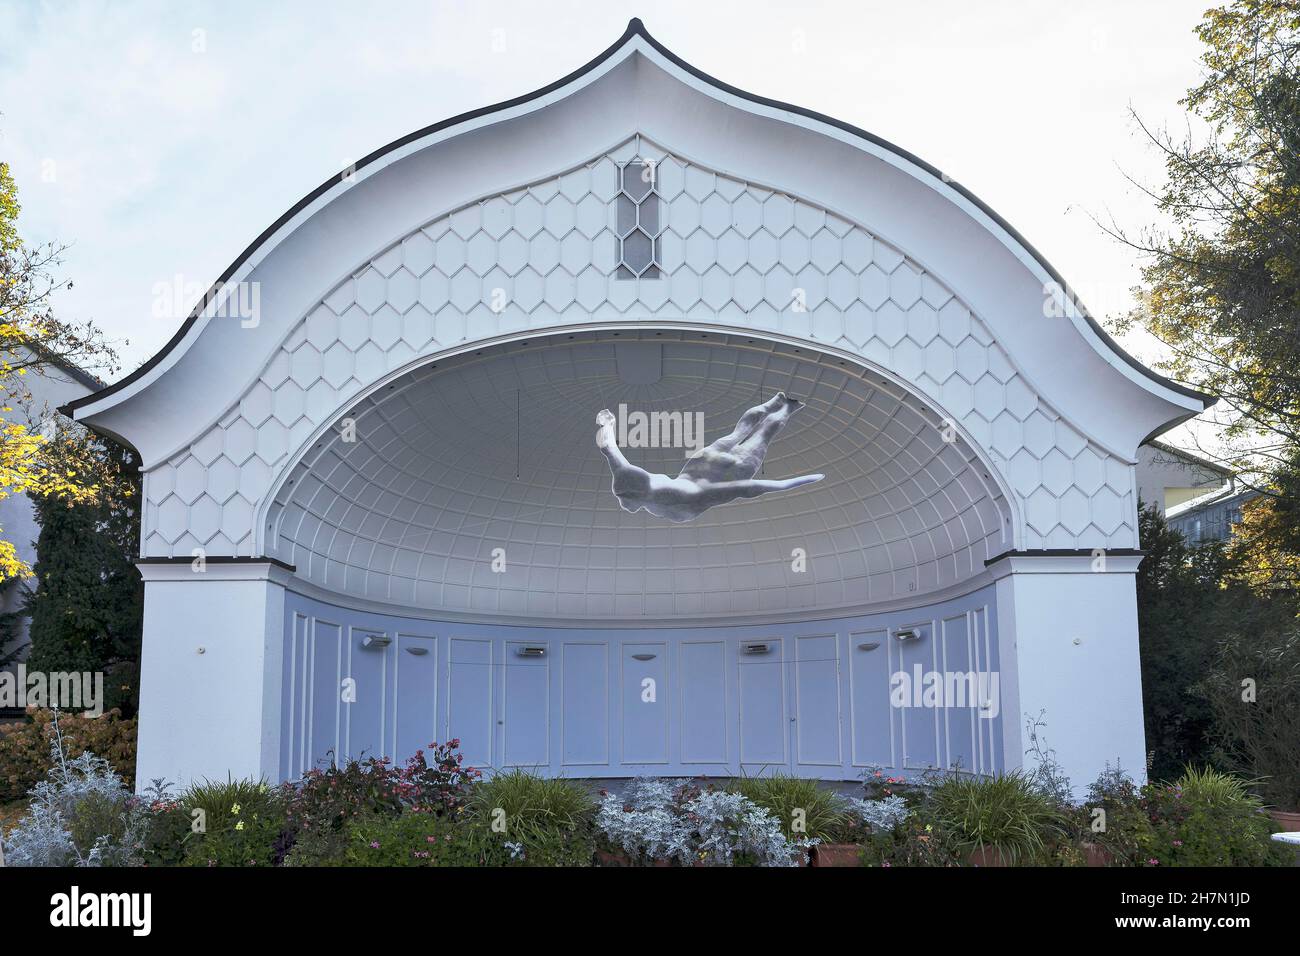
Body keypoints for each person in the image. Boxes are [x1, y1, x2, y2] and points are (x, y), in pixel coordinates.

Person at [595, 392, 824, 522]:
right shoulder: (636, 484)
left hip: (735, 468)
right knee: (740, 431)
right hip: (704, 461)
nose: (622, 501)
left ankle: (788, 407)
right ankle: (776, 402)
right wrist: (607, 422)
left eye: (623, 499)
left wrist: (796, 482)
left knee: (763, 433)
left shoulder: (685, 502)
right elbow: (609, 448)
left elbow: (751, 487)